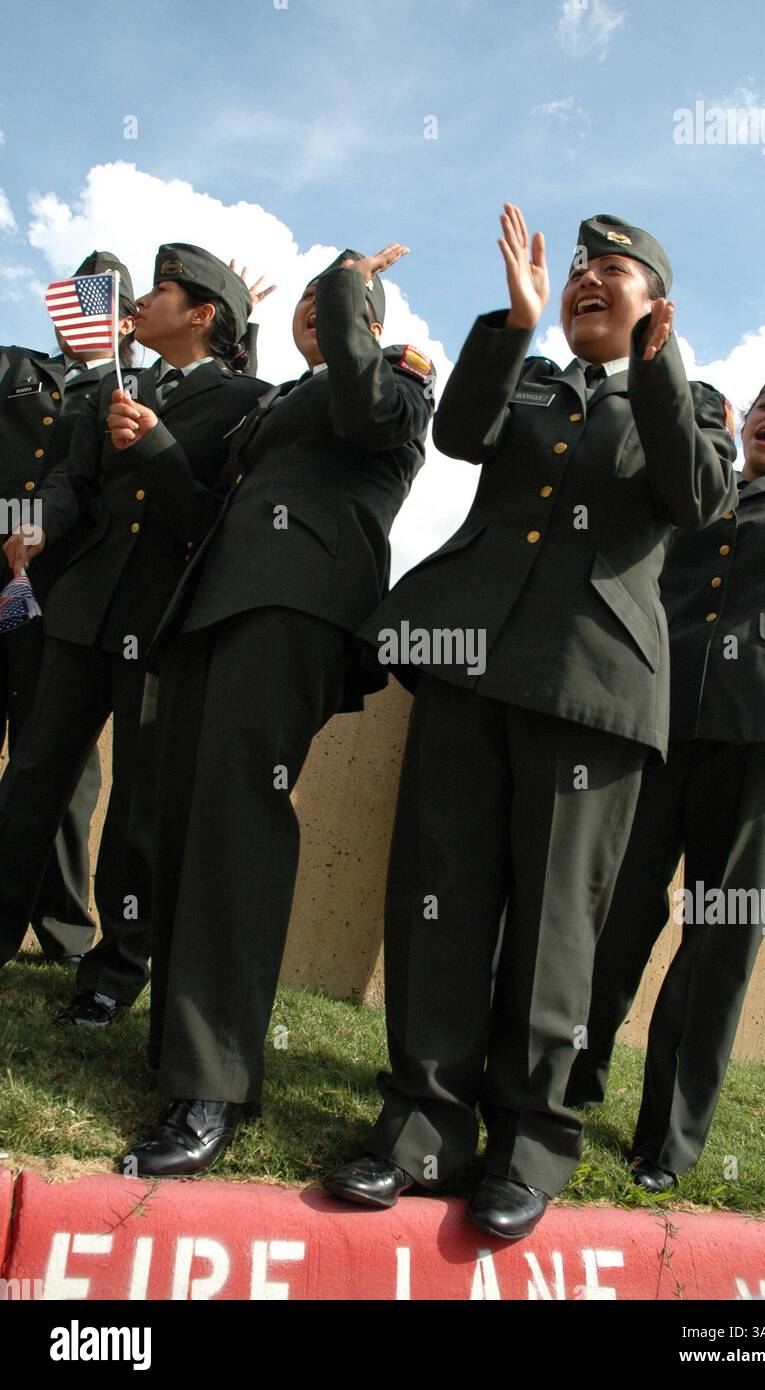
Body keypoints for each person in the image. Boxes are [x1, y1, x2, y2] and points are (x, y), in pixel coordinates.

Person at [324, 206, 737, 1239]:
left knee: (559, 924)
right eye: (578, 270)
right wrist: (513, 323)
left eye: (614, 269)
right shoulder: (533, 377)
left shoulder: (686, 403)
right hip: (468, 666)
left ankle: (529, 1144)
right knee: (439, 899)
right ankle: (420, 1128)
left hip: (591, 692)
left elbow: (697, 498)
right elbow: (460, 432)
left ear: (657, 302)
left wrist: (659, 367)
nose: (587, 278)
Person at [120, 245, 436, 1178]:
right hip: (212, 606)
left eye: (330, 301)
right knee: (179, 820)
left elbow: (362, 399)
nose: (312, 310)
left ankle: (216, 1080)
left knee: (235, 828)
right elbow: (210, 507)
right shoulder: (268, 403)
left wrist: (346, 283)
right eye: (304, 300)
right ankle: (178, 1057)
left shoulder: (396, 382)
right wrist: (156, 447)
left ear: (363, 320)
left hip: (292, 608)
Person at [566, 354, 765, 1192]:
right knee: (613, 917)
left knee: (720, 936)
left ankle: (668, 1143)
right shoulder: (695, 488)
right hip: (659, 723)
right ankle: (564, 1091)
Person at [0, 244, 270, 1030]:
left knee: (139, 811)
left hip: (161, 628)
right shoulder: (116, 383)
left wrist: (156, 444)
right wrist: (40, 528)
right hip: (81, 614)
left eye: (159, 292)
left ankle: (113, 974)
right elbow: (73, 482)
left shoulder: (248, 400)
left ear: (202, 315)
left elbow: (216, 517)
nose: (138, 304)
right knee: (32, 782)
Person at [0, 250, 137, 964]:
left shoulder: (129, 389)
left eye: (102, 306)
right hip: (0, 564)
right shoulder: (14, 369)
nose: (86, 319)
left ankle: (62, 931)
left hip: (58, 596)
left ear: (125, 323)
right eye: (78, 302)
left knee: (53, 765)